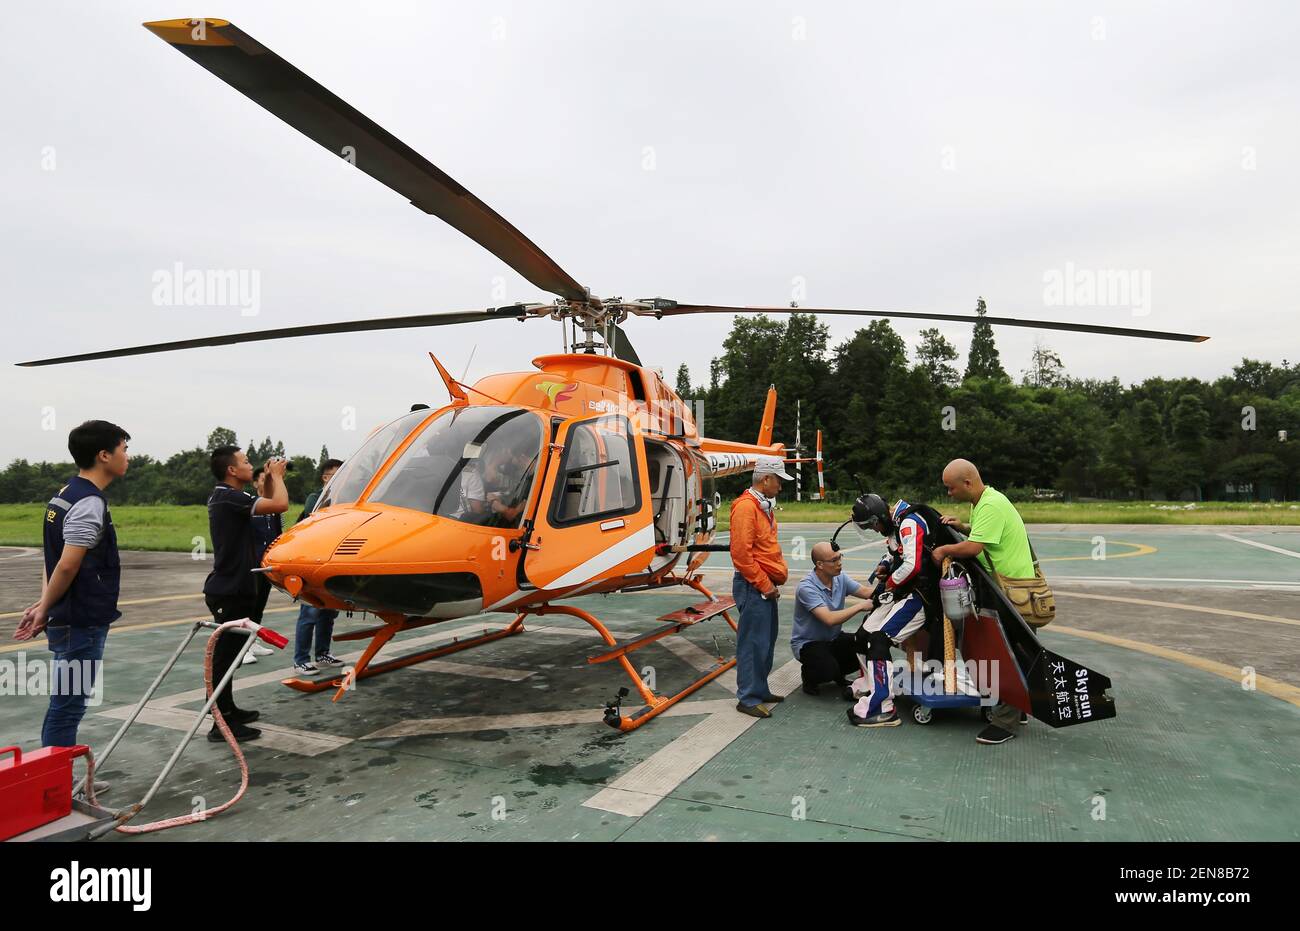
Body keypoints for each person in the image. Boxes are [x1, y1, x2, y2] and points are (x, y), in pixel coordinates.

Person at [14, 421, 130, 760]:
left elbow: (52, 561)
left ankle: (56, 779)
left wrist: (44, 604)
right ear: (104, 455)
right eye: (124, 449)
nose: (128, 457)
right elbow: (66, 565)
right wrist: (45, 607)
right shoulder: (89, 502)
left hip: (72, 616)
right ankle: (55, 785)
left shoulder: (64, 495)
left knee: (66, 701)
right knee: (68, 704)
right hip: (82, 619)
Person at [931, 458, 1036, 745]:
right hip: (1012, 589)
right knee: (1015, 653)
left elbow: (975, 548)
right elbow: (984, 538)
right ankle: (1018, 709)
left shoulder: (989, 505)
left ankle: (1005, 722)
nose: (949, 494)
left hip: (1011, 593)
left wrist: (944, 550)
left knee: (1004, 654)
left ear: (967, 483)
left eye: (951, 488)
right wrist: (963, 526)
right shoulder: (984, 502)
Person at [204, 445, 289, 741]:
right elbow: (279, 504)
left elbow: (265, 500)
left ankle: (227, 710)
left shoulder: (230, 497)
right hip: (230, 588)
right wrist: (277, 476)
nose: (249, 465)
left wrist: (267, 477)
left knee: (231, 656)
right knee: (224, 658)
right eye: (245, 461)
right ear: (231, 470)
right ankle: (220, 722)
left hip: (236, 585)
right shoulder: (229, 497)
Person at [846, 495, 937, 728]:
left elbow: (912, 565)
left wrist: (888, 583)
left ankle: (883, 706)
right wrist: (885, 565)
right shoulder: (895, 524)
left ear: (880, 517)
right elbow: (895, 551)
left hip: (919, 596)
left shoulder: (909, 522)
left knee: (878, 640)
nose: (874, 530)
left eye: (872, 525)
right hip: (902, 592)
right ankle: (871, 684)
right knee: (862, 637)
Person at [729, 456, 793, 718]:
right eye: (778, 480)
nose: (780, 486)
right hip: (754, 585)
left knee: (765, 642)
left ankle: (759, 689)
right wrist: (765, 585)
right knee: (753, 643)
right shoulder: (746, 508)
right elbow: (741, 555)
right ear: (766, 479)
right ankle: (748, 697)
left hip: (762, 586)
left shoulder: (761, 506)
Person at [792, 541, 874, 698]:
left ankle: (837, 673)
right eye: (834, 560)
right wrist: (860, 606)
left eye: (839, 557)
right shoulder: (806, 587)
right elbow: (829, 619)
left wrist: (893, 586)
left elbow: (865, 591)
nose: (839, 563)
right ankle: (809, 677)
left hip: (833, 638)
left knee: (866, 645)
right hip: (809, 644)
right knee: (827, 670)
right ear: (820, 564)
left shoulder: (839, 577)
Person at [292, 459, 344, 676]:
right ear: (325, 478)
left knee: (328, 612)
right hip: (311, 562)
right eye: (337, 474)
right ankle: (300, 660)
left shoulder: (346, 499)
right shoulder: (316, 499)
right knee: (310, 611)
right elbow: (316, 518)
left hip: (330, 562)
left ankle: (322, 653)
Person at [242, 466, 283, 665]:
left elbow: (277, 533)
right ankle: (242, 647)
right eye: (262, 479)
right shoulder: (248, 505)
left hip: (267, 564)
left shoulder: (273, 510)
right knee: (247, 606)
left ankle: (253, 640)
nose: (266, 482)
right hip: (251, 563)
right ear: (255, 483)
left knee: (259, 605)